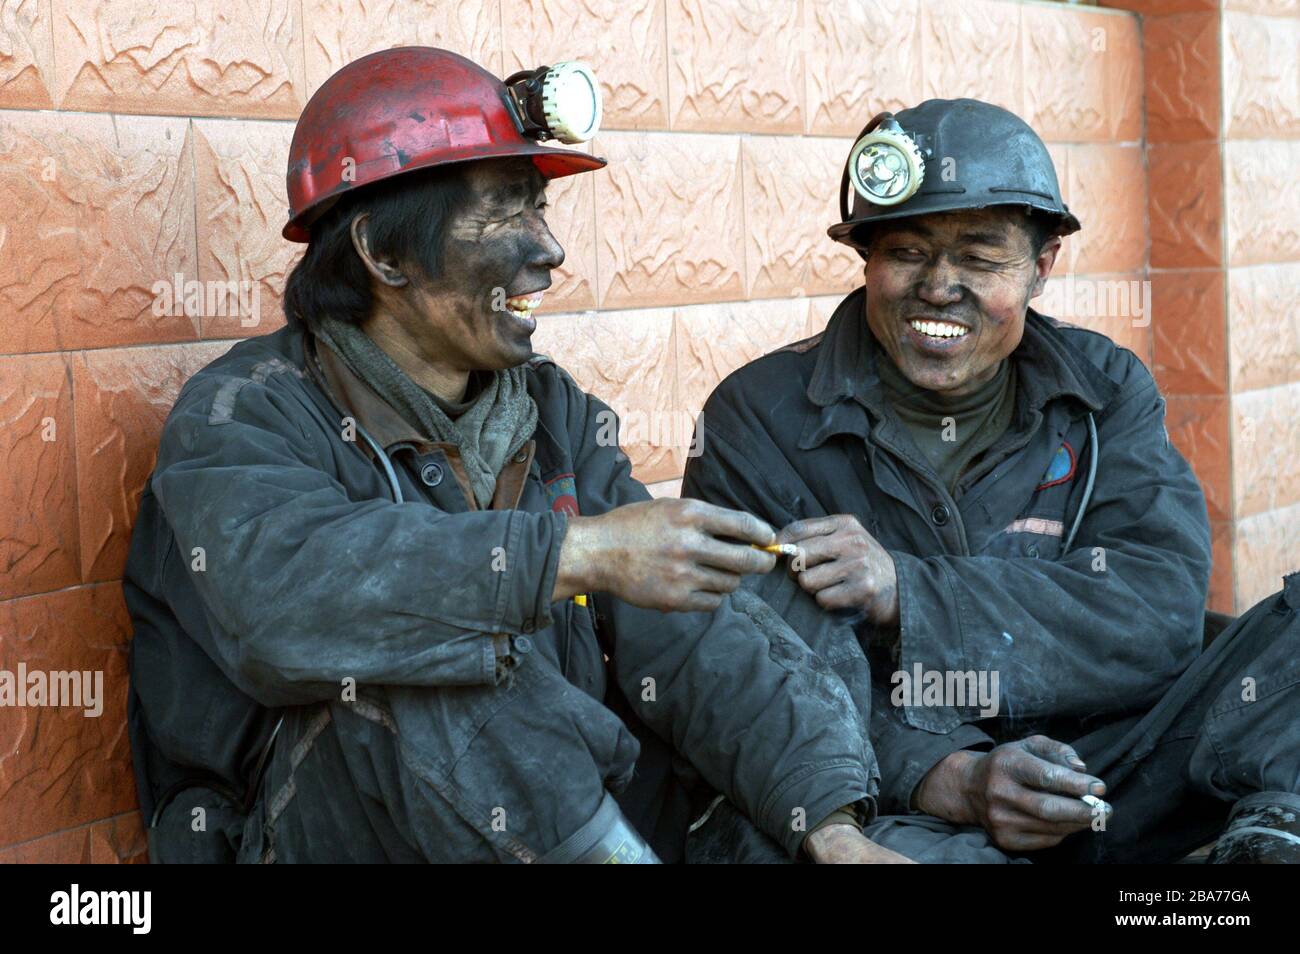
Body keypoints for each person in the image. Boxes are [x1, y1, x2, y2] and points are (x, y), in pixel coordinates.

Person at [125, 46, 920, 864]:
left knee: (757, 595)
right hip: (325, 831)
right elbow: (286, 603)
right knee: (424, 668)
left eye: (539, 208)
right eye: (506, 213)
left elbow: (683, 637)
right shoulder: (243, 412)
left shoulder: (551, 410)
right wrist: (580, 553)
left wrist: (828, 826)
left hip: (552, 815)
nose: (548, 249)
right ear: (382, 252)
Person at [682, 98, 1300, 863]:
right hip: (902, 791)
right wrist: (956, 776)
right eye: (906, 252)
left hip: (1107, 768)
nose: (940, 287)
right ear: (867, 260)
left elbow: (1157, 610)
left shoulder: (1105, 390)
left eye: (980, 259)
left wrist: (907, 589)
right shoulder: (761, 417)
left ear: (1041, 268)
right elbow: (743, 659)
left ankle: (1267, 840)